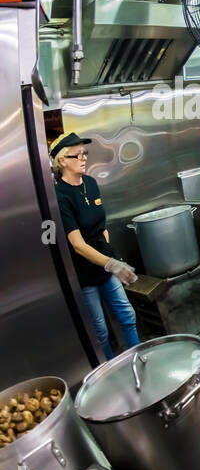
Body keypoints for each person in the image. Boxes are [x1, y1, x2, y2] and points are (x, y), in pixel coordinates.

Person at [50, 132, 141, 361]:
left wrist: (108, 257)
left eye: (84, 153)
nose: (84, 158)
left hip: (104, 266)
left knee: (126, 314)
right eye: (77, 155)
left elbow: (101, 227)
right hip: (83, 273)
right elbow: (78, 245)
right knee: (99, 330)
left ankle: (139, 358)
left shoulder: (90, 183)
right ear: (62, 161)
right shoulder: (60, 196)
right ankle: (109, 373)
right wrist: (111, 263)